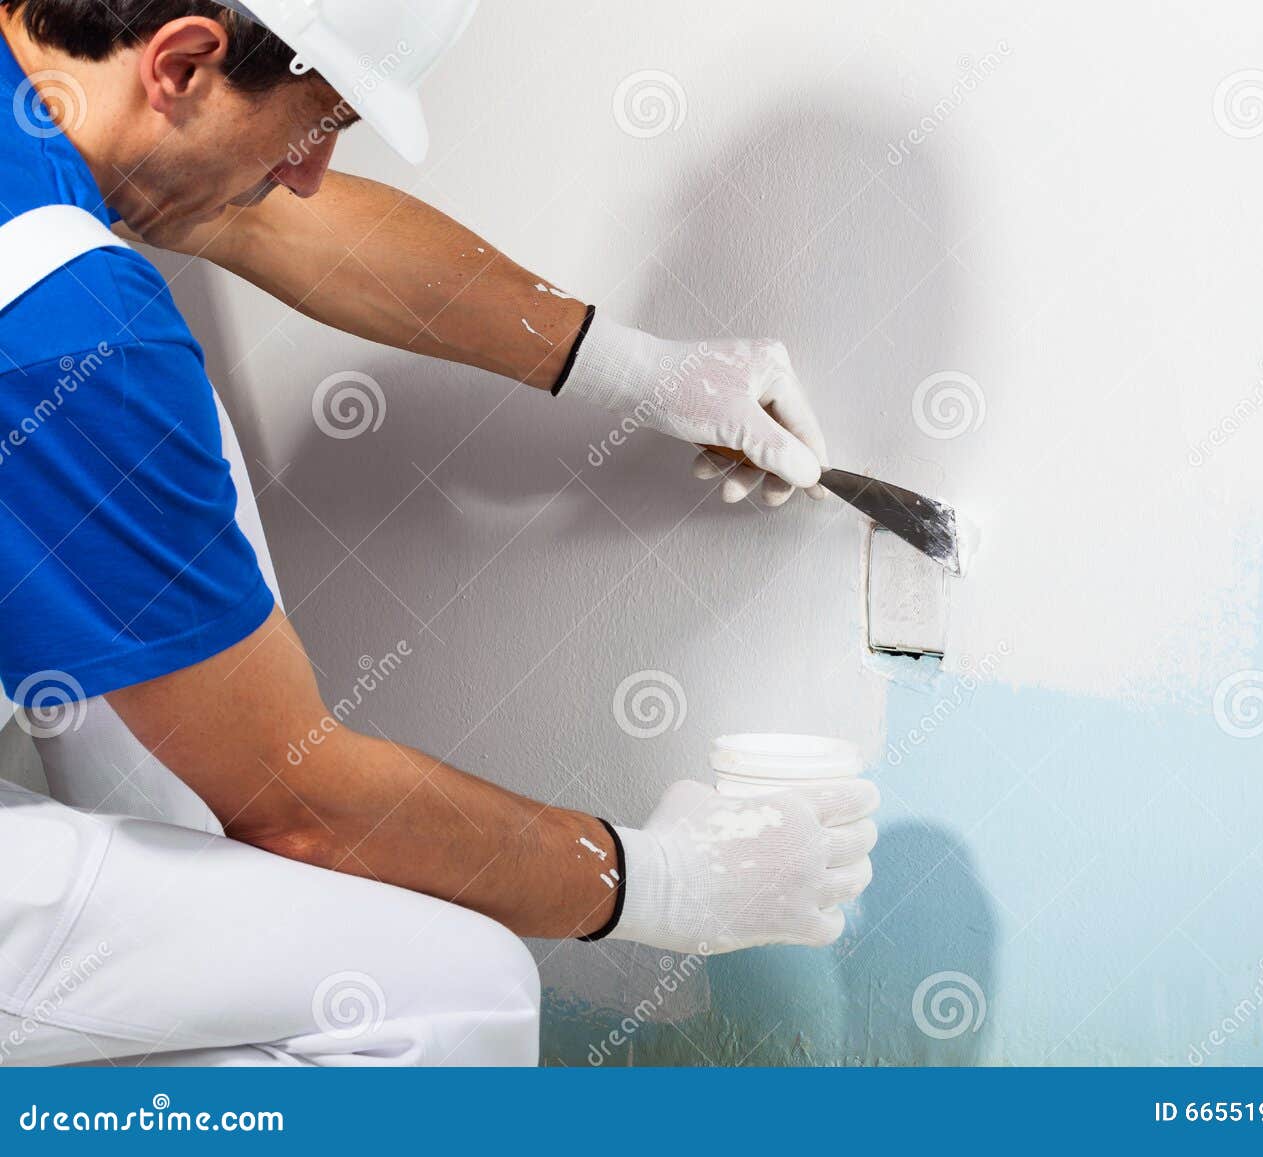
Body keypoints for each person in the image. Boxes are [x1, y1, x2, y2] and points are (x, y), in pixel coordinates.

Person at [0, 0, 878, 1066]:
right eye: (312, 126)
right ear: (183, 61)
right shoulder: (72, 332)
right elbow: (300, 801)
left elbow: (259, 216)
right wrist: (659, 882)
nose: (311, 173)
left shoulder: (57, 109)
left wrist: (641, 370)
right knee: (452, 989)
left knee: (171, 469)